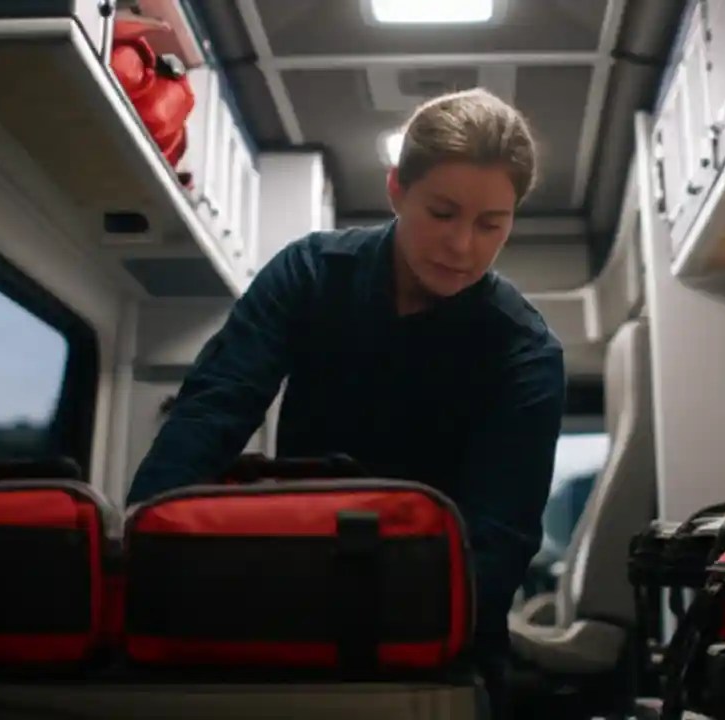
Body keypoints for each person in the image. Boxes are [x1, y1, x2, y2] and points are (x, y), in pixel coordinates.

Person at [127, 88, 565, 714]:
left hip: (446, 624)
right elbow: (213, 410)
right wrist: (140, 543)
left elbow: (497, 539)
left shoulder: (526, 353)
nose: (462, 245)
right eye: (442, 213)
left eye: (490, 224)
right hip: (296, 585)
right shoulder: (309, 273)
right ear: (396, 190)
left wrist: (421, 631)